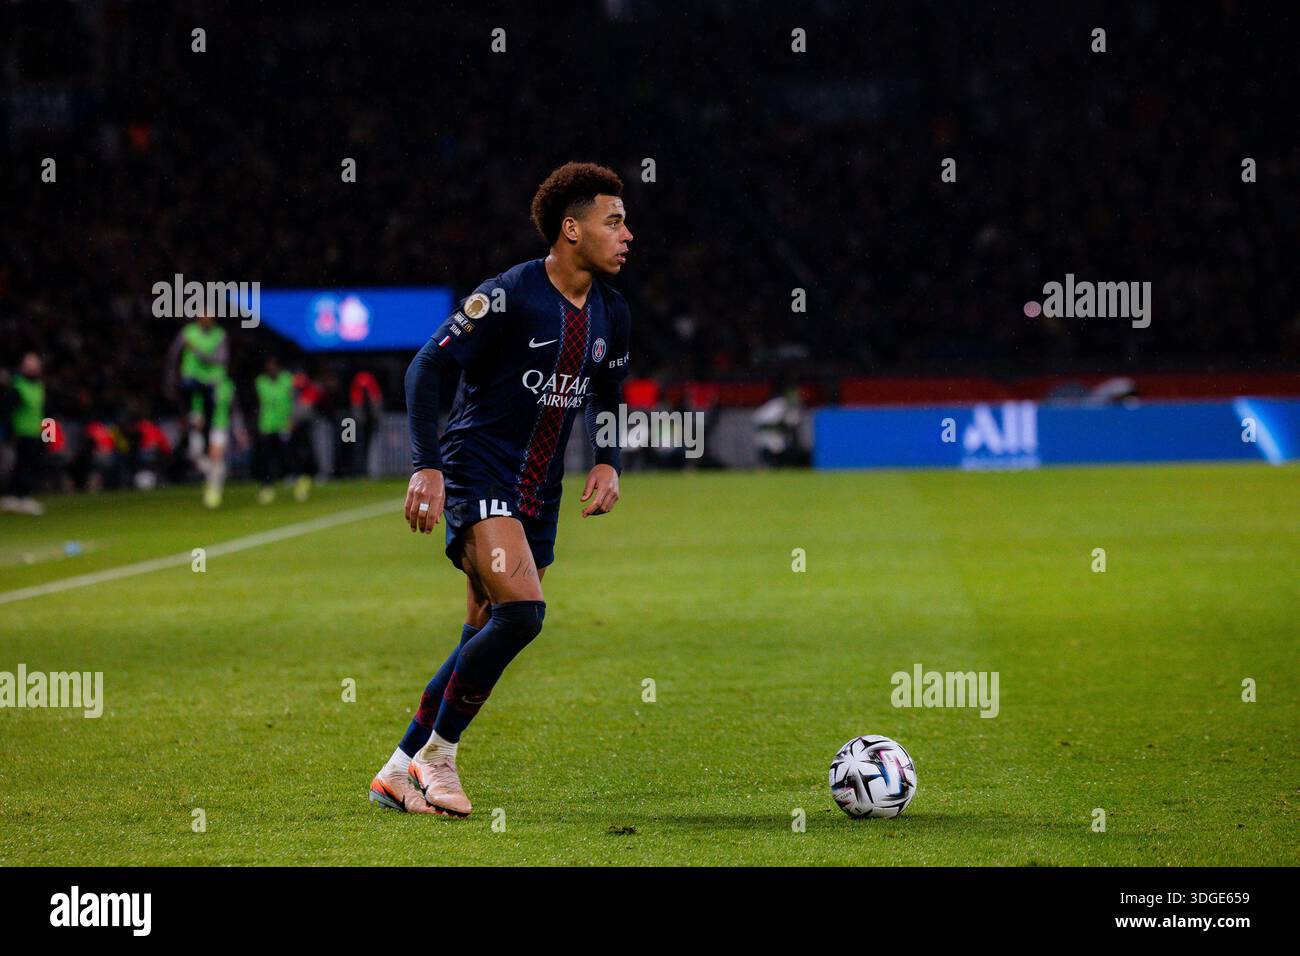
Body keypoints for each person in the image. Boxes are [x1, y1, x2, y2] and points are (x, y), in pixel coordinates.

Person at [369, 162, 633, 816]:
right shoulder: (509, 294)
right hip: (477, 469)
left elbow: (609, 393)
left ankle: (398, 769)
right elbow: (426, 366)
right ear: (571, 230)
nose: (628, 234)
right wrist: (425, 465)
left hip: (538, 493)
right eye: (614, 221)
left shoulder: (612, 313)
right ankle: (439, 757)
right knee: (523, 613)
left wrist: (608, 460)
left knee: (481, 630)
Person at [164, 311, 228, 482]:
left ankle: (210, 467)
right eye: (202, 317)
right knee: (188, 401)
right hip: (190, 381)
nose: (205, 321)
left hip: (209, 384)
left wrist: (198, 353)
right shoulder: (187, 332)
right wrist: (170, 379)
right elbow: (173, 355)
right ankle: (189, 422)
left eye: (209, 318)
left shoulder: (219, 335)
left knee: (206, 420)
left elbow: (221, 358)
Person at [1, 353, 47, 515]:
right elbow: (7, 411)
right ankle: (19, 497)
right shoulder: (18, 387)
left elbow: (43, 412)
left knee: (26, 465)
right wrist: (10, 431)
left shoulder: (39, 386)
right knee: (21, 466)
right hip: (21, 433)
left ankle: (16, 497)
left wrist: (47, 435)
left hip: (35, 431)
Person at [254, 356, 295, 504]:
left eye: (274, 365)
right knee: (266, 456)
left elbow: (292, 400)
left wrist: (291, 419)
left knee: (286, 452)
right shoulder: (261, 382)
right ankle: (267, 484)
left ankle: (291, 478)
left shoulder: (287, 379)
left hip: (283, 423)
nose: (271, 369)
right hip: (267, 424)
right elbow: (259, 403)